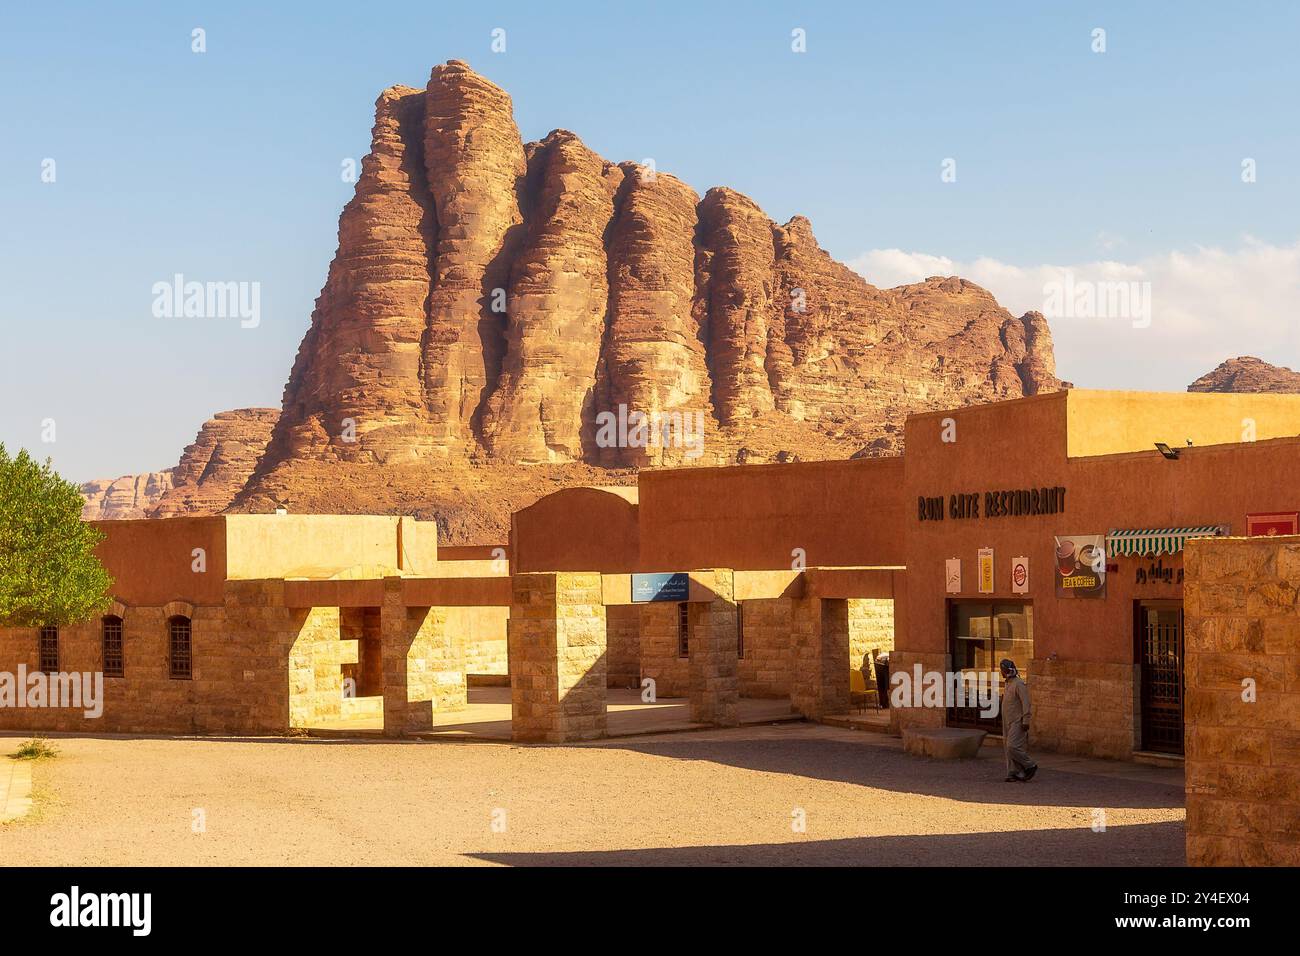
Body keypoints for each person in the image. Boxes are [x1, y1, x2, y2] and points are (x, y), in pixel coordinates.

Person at [999, 659, 1038, 782]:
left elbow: (1026, 703)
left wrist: (1026, 720)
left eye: (1004, 670)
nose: (1002, 673)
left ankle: (1030, 765)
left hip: (1017, 720)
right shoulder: (1008, 683)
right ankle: (1013, 772)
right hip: (1007, 720)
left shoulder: (1018, 684)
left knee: (1012, 746)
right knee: (1007, 747)